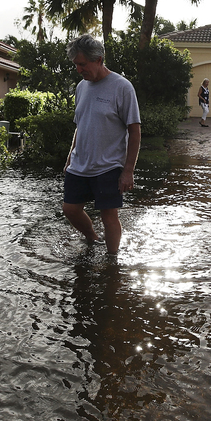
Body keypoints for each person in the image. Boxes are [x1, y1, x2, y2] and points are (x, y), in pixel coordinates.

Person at [62, 34, 141, 255]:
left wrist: (128, 171)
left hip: (108, 164)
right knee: (70, 209)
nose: (79, 70)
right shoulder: (81, 87)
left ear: (98, 60)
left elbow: (134, 131)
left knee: (109, 216)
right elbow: (80, 124)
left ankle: (112, 261)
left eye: (82, 64)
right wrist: (70, 157)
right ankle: (92, 238)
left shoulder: (122, 87)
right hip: (80, 163)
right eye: (76, 65)